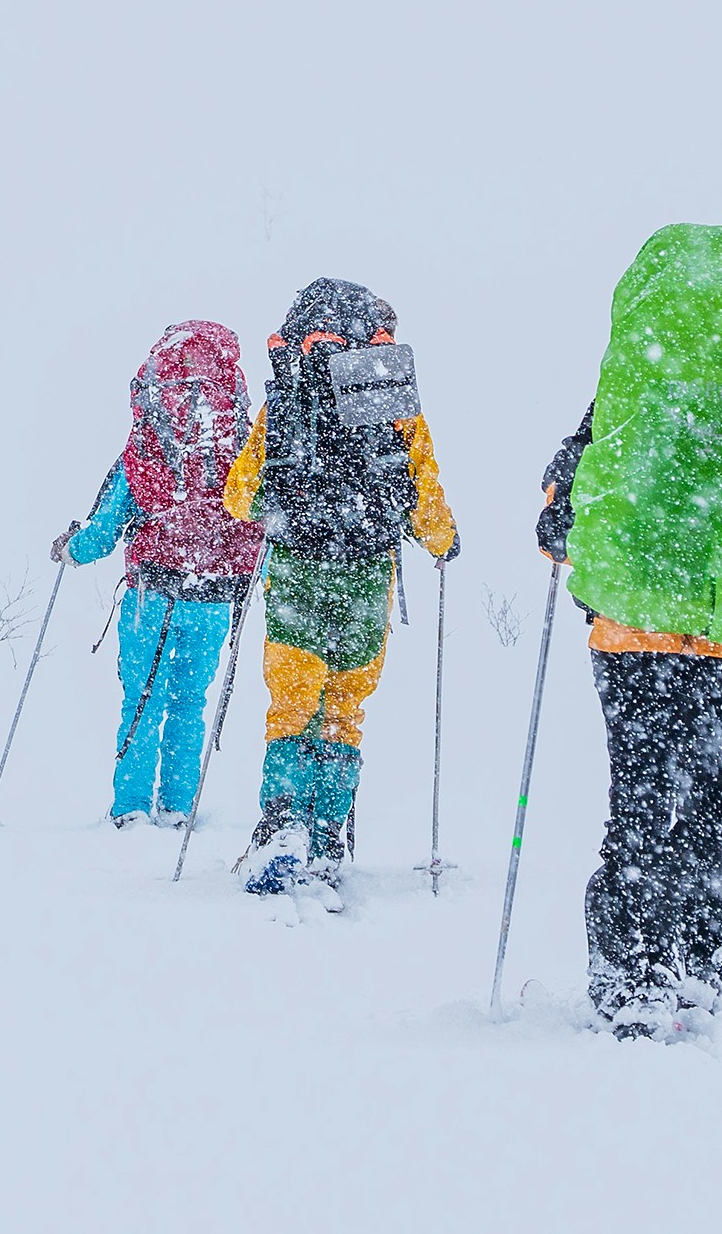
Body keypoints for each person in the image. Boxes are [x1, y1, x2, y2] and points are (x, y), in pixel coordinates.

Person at [534, 226, 722, 1036]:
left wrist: (582, 537)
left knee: (640, 800)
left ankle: (634, 975)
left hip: (633, 643)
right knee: (714, 797)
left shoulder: (628, 409)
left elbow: (558, 522)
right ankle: (703, 963)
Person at [220, 278, 459, 891]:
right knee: (344, 705)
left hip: (298, 565)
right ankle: (328, 832)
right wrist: (441, 539)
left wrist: (288, 509)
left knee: (292, 700)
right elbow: (422, 485)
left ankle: (281, 822)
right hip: (368, 568)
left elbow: (240, 493)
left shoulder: (289, 392)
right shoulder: (392, 398)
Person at [55, 321, 263, 828]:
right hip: (214, 596)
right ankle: (178, 806)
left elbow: (104, 533)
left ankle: (129, 809)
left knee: (142, 699)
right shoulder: (239, 445)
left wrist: (70, 550)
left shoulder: (148, 446)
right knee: (189, 704)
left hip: (153, 592)